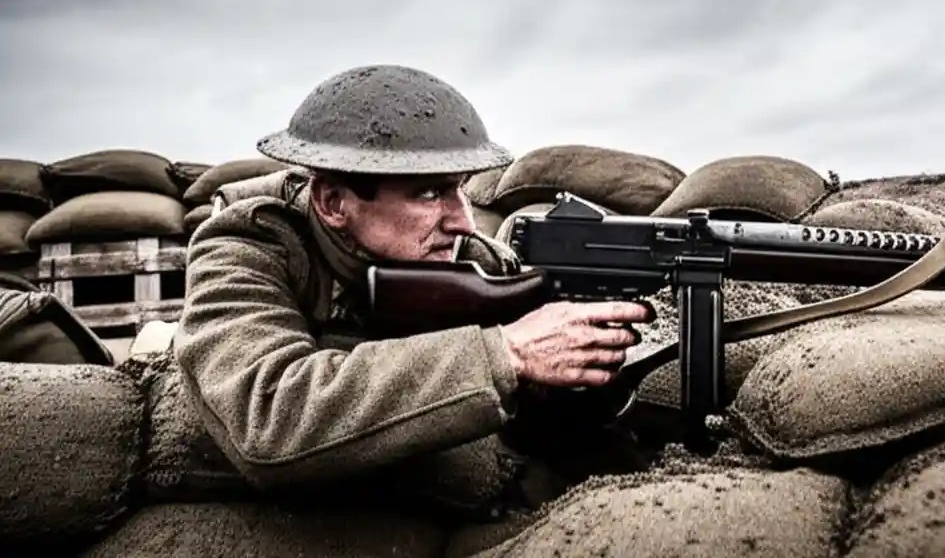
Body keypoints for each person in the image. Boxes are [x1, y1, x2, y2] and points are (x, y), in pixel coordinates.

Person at [172, 64, 652, 497]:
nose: (463, 220)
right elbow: (268, 422)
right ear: (334, 203)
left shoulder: (476, 261)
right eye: (429, 193)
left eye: (460, 189)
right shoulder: (246, 248)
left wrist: (576, 371)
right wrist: (506, 353)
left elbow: (545, 429)